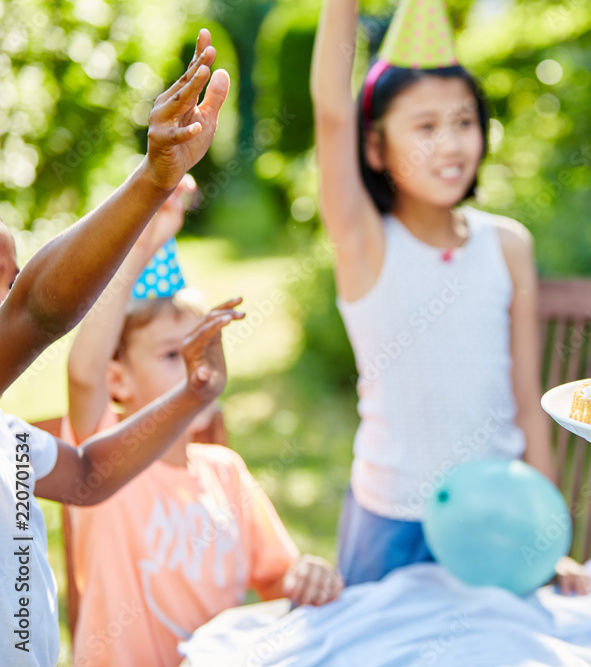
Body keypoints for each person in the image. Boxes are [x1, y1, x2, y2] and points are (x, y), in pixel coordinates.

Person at [311, 0, 591, 593]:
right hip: (393, 521)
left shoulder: (508, 245)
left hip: (501, 517)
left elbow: (525, 400)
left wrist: (547, 536)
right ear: (376, 148)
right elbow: (333, 114)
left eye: (464, 121)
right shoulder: (365, 243)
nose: (452, 143)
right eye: (425, 127)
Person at [0, 29, 236, 666]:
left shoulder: (8, 440)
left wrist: (192, 394)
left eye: (11, 269)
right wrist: (153, 181)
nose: (10, 270)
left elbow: (85, 475)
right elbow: (40, 311)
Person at [63, 186, 342, 667]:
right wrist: (143, 242)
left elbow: (277, 577)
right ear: (118, 379)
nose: (199, 369)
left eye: (203, 349)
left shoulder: (226, 472)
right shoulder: (105, 463)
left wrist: (306, 577)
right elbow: (82, 374)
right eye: (173, 355)